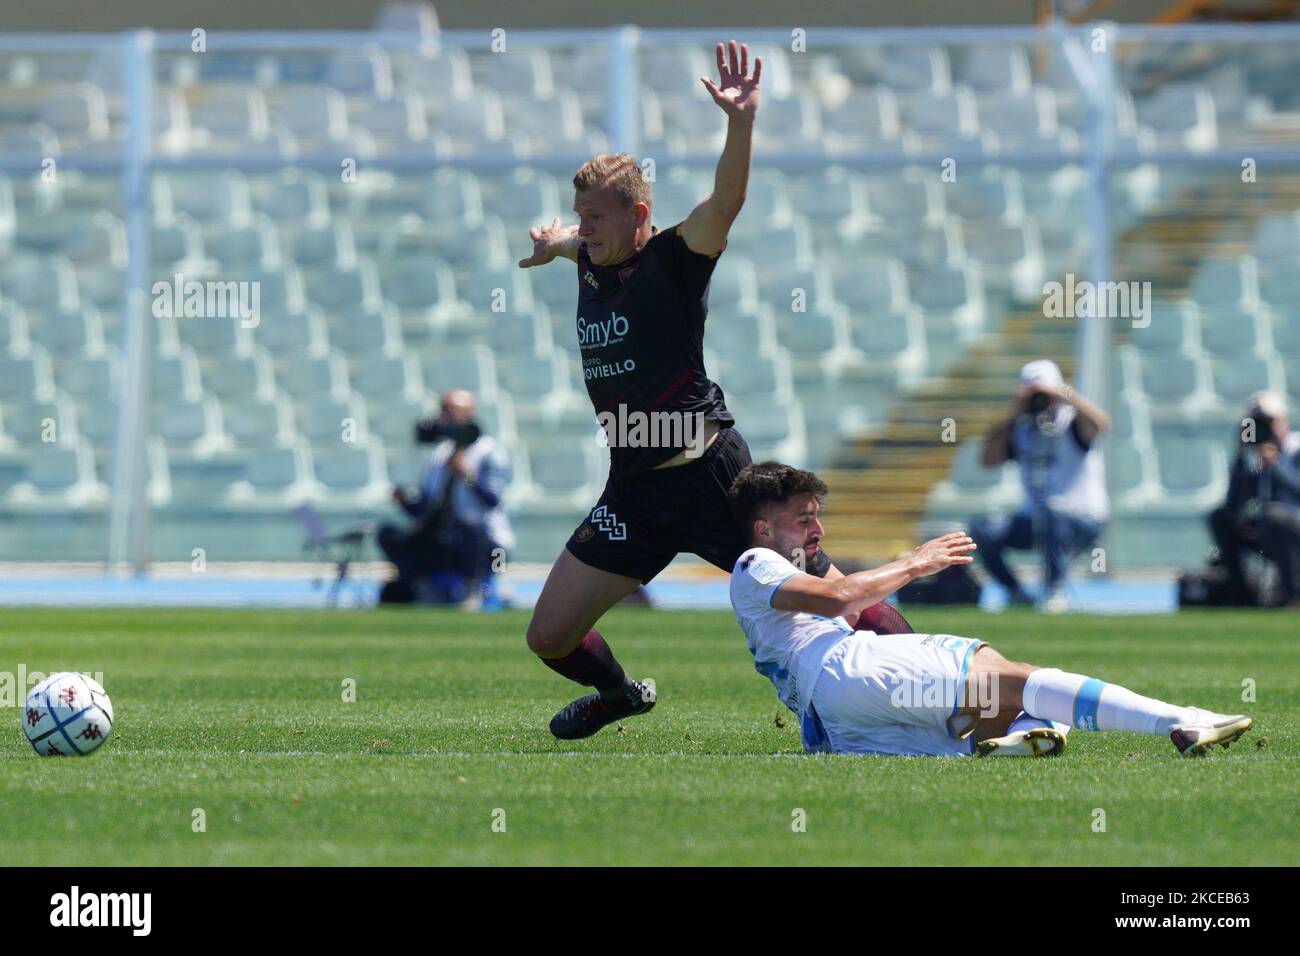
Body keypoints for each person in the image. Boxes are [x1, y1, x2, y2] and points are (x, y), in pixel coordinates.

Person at [516, 40, 907, 741]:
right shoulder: (594, 257)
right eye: (580, 216)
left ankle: (930, 685)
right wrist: (556, 245)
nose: (585, 228)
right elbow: (576, 243)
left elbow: (727, 199)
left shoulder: (675, 258)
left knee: (834, 599)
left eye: (596, 218)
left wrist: (742, 122)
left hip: (711, 476)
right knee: (548, 635)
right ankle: (620, 696)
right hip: (635, 491)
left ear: (640, 218)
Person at [727, 461, 1254, 758]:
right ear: (763, 529)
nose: (816, 529)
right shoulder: (755, 562)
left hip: (839, 720)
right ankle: (1179, 721)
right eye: (802, 519)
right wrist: (916, 561)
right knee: (1010, 675)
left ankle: (1019, 735)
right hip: (845, 671)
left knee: (985, 706)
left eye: (818, 517)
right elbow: (843, 599)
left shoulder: (794, 570)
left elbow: (867, 609)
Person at [969, 359, 1110, 611]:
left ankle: (1054, 592)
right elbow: (987, 459)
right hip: (1035, 521)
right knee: (982, 528)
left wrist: (1065, 393)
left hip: (1083, 519)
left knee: (1053, 511)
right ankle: (1016, 593)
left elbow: (1101, 423)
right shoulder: (1021, 429)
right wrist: (1016, 412)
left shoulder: (1072, 422)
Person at [377, 389, 514, 607]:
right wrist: (404, 501)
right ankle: (418, 585)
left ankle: (473, 591)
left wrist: (467, 476)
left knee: (468, 526)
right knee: (390, 534)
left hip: (487, 542)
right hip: (444, 538)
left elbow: (492, 500)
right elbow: (427, 509)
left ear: (469, 414)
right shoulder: (439, 454)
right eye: (442, 411)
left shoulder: (489, 451)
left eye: (450, 412)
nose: (443, 418)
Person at [1209, 390, 1300, 607]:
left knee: (1274, 515)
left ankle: (1294, 595)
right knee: (1220, 517)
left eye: (1268, 422)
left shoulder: (1296, 448)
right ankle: (1240, 594)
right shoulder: (1255, 458)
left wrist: (1275, 464)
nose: (1264, 428)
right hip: (1268, 529)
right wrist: (1240, 456)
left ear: (1283, 420)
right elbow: (1233, 503)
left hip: (1292, 526)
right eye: (1256, 423)